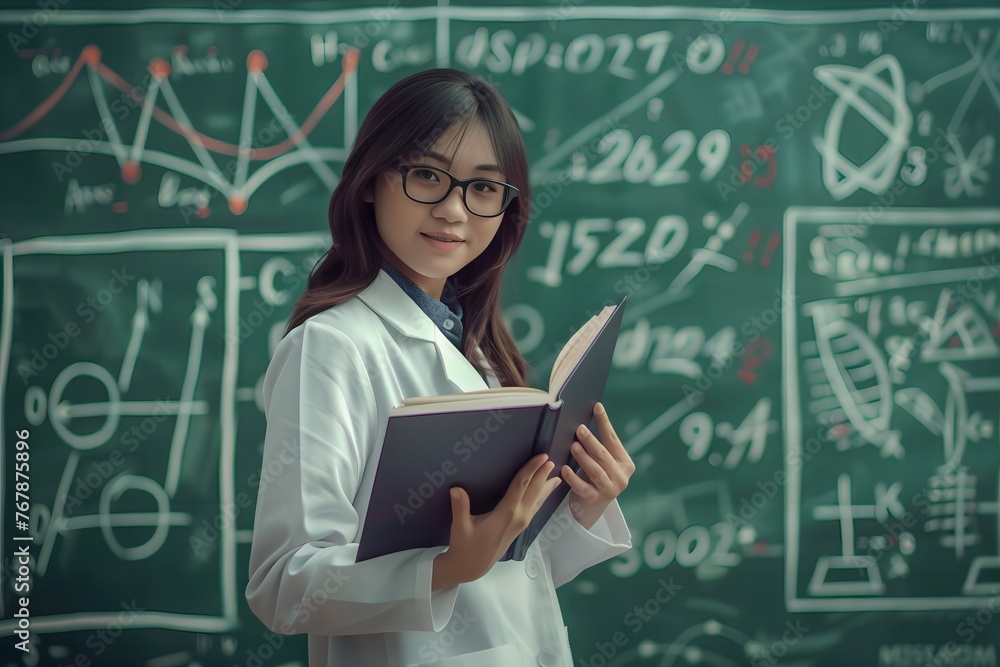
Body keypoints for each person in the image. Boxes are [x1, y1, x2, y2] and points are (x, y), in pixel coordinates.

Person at [246, 68, 634, 667]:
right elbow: (284, 587)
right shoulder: (330, 347)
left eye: (483, 189)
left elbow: (507, 579)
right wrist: (447, 566)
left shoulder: (475, 350)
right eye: (427, 175)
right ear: (372, 179)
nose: (454, 210)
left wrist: (583, 503)